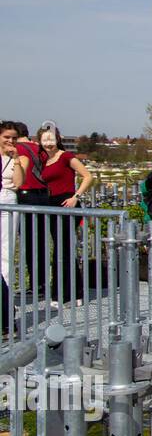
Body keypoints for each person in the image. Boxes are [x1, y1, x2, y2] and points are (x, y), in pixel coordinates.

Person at [38, 124, 94, 304]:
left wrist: (75, 197)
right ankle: (59, 292)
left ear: (58, 139)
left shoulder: (66, 157)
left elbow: (88, 176)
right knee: (58, 250)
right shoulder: (45, 160)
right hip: (52, 204)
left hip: (67, 203)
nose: (48, 143)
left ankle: (74, 293)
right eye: (44, 140)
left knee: (67, 249)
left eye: (51, 139)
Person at [13, 122, 49, 299]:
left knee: (29, 241)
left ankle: (35, 284)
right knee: (41, 241)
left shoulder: (18, 148)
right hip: (44, 195)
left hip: (26, 195)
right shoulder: (39, 147)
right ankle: (43, 282)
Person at [0, 121, 26, 332]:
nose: (10, 141)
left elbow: (18, 183)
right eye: (6, 137)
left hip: (8, 200)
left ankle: (8, 304)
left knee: (7, 254)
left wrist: (15, 159)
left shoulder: (18, 158)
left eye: (13, 138)